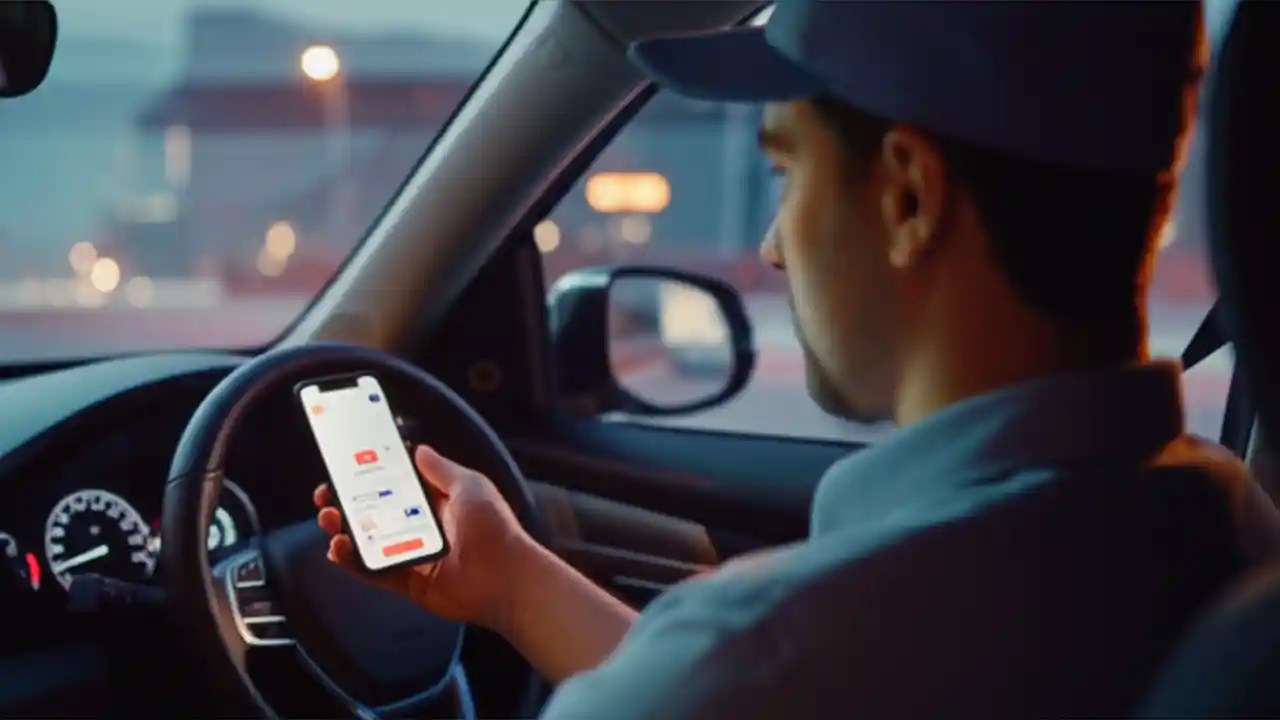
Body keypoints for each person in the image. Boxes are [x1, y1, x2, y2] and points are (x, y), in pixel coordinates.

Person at [316, 1, 1278, 716]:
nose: (774, 244)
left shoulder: (756, 659)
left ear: (906, 198)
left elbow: (733, 681)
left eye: (788, 170)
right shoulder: (1237, 545)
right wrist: (516, 584)